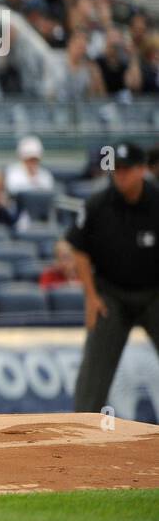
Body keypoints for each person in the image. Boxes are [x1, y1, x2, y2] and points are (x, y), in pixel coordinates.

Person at [64, 141, 159, 412]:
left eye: (127, 169)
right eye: (117, 169)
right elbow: (79, 251)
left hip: (154, 293)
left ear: (142, 170)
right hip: (111, 294)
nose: (121, 175)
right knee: (93, 371)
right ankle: (82, 426)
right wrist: (91, 297)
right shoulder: (97, 204)